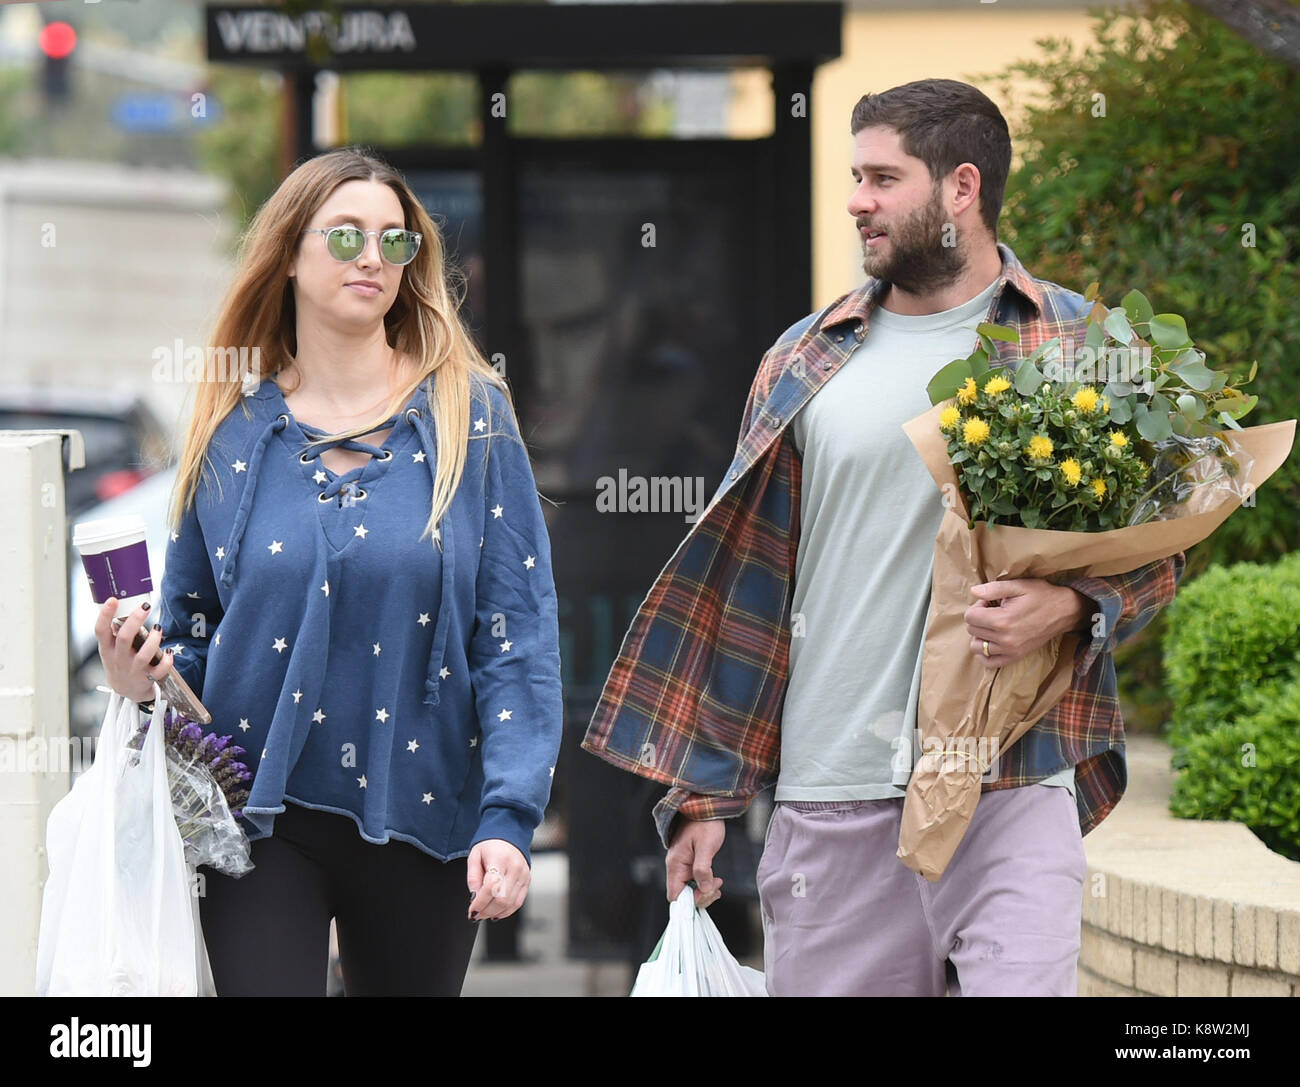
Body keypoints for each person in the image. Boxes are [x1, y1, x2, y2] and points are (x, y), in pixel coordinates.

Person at [582, 79, 1185, 997]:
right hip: (836, 796)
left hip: (1011, 783)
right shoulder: (805, 357)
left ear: (962, 188)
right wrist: (706, 794)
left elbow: (1164, 540)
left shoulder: (1082, 344)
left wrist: (1071, 604)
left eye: (882, 177)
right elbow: (756, 593)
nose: (857, 199)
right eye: (854, 176)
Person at [95, 146, 563, 997]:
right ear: (289, 254)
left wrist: (509, 815)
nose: (374, 259)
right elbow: (192, 635)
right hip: (256, 824)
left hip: (427, 814)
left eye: (396, 241)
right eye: (345, 238)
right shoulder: (231, 433)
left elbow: (516, 634)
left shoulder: (471, 417)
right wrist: (139, 676)